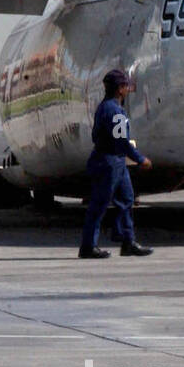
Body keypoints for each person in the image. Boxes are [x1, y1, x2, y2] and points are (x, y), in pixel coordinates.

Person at [79, 68, 151, 258]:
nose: (128, 89)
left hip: (115, 161)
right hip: (110, 162)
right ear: (120, 88)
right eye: (126, 85)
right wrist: (140, 159)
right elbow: (121, 141)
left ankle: (127, 241)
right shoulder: (114, 111)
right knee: (99, 204)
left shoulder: (104, 108)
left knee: (127, 199)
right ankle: (88, 246)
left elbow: (96, 135)